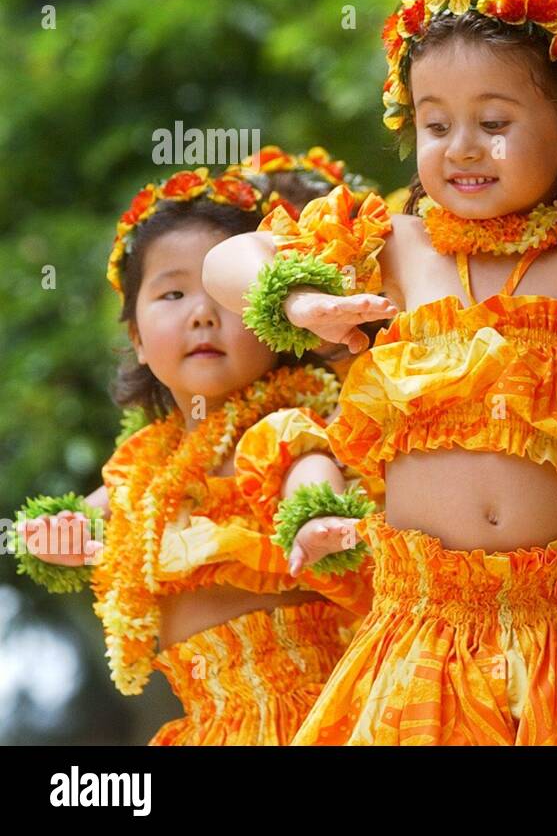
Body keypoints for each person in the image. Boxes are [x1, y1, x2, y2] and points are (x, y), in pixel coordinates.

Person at [204, 0, 557, 744]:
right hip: (423, 631)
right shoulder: (398, 248)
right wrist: (299, 296)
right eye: (435, 123)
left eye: (494, 120)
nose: (462, 148)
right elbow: (227, 261)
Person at [14, 168, 376, 744]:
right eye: (173, 293)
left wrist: (316, 513)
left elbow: (308, 463)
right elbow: (79, 520)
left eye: (225, 299)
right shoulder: (143, 468)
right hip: (209, 725)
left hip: (312, 715)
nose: (201, 314)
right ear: (135, 335)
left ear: (274, 318)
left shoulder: (280, 425)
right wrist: (52, 536)